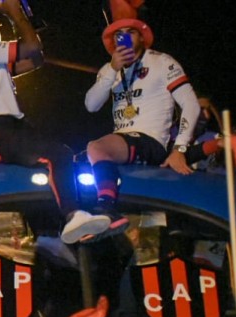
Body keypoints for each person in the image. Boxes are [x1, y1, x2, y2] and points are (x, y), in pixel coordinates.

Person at [0, 0, 105, 245]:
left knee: (47, 170)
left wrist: (25, 23)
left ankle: (51, 231)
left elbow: (35, 59)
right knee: (58, 155)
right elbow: (31, 46)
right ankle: (72, 215)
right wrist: (15, 13)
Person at [82, 15, 202, 240]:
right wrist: (111, 69)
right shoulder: (109, 70)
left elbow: (191, 105)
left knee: (96, 148)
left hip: (151, 141)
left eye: (131, 32)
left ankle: (107, 211)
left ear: (142, 37)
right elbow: (91, 105)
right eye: (119, 35)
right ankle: (91, 223)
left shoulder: (161, 61)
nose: (124, 37)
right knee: (76, 163)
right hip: (124, 141)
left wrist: (180, 149)